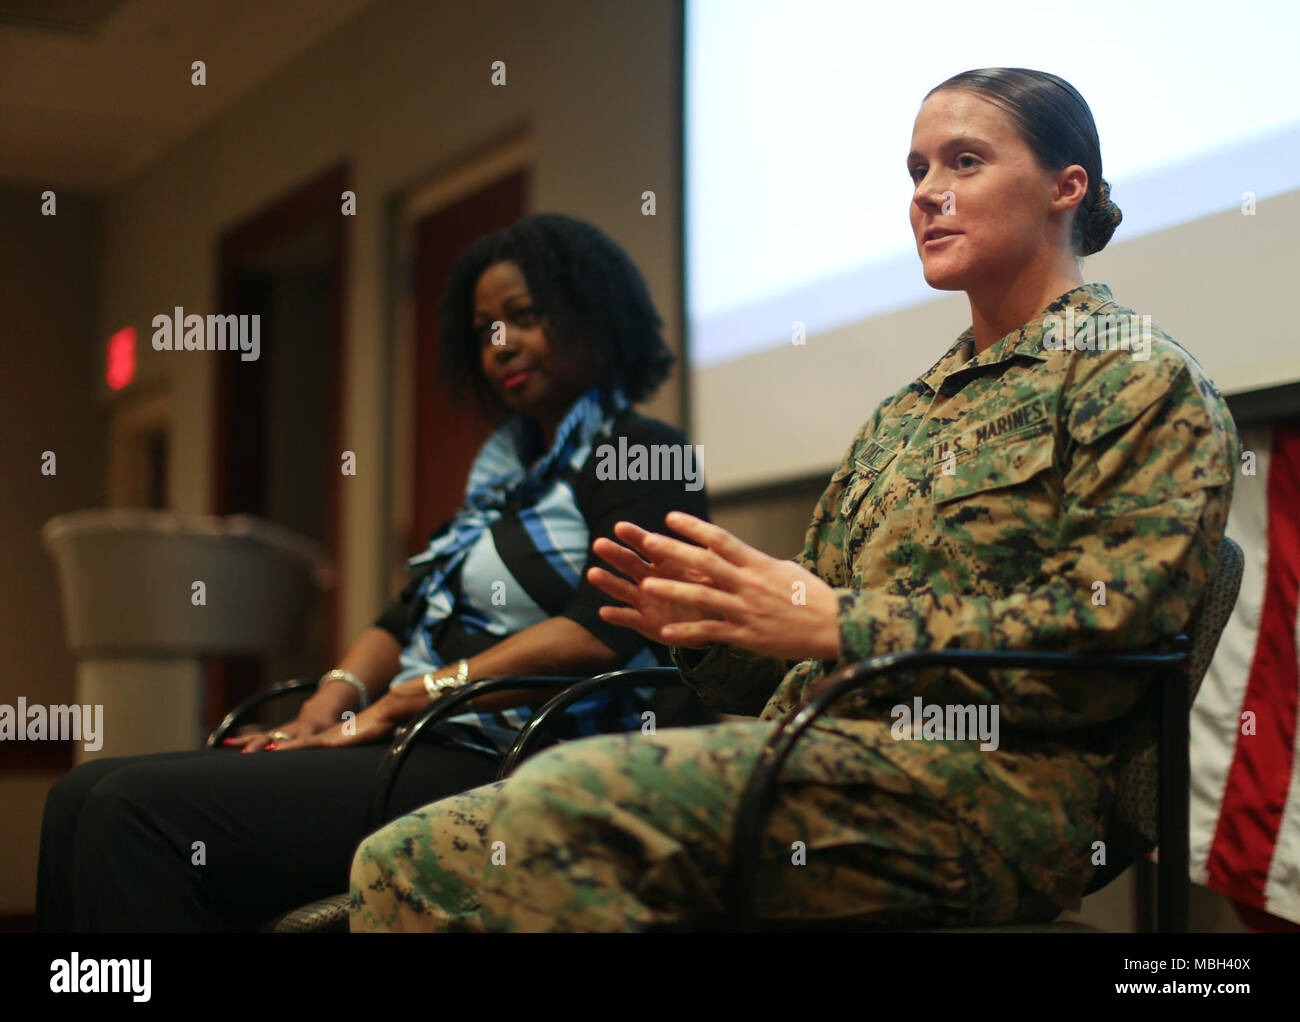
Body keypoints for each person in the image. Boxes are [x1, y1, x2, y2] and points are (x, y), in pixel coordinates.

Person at [348, 68, 1240, 932]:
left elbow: (1113, 639)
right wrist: (701, 625)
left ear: (1065, 187)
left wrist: (840, 622)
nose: (928, 192)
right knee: (405, 859)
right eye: (916, 170)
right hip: (816, 754)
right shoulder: (904, 413)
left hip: (996, 788)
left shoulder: (1134, 377)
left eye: (964, 162)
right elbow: (788, 659)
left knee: (570, 805)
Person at [35, 212, 709, 931]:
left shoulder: (642, 451)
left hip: (511, 753)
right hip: (420, 738)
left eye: (524, 317)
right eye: (484, 330)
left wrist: (408, 698)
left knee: (129, 811)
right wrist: (325, 707)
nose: (501, 344)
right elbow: (404, 614)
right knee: (81, 793)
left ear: (594, 316)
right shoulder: (502, 477)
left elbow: (596, 634)